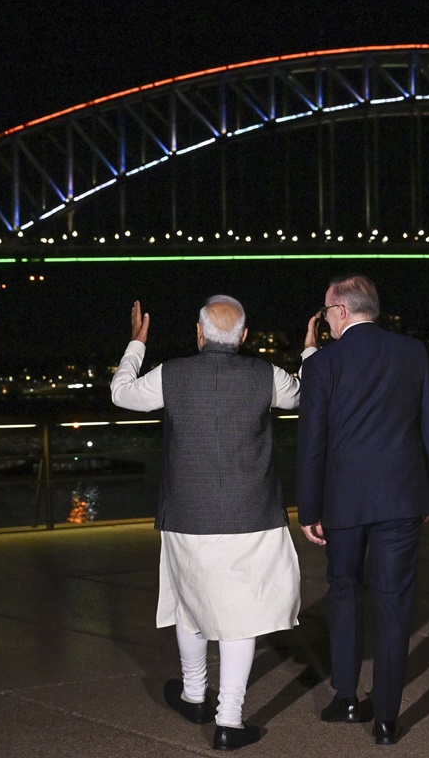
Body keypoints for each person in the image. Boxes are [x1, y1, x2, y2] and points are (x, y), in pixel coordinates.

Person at [110, 295, 304, 752]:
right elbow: (305, 394)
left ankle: (194, 694)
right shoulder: (267, 376)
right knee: (242, 616)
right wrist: (311, 350)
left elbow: (120, 394)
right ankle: (229, 720)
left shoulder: (172, 375)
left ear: (199, 334)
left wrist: (137, 343)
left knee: (187, 601)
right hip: (252, 515)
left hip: (186, 514)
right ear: (244, 336)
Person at [295, 274, 429, 746]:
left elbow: (312, 441)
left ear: (341, 312)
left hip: (342, 501)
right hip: (402, 497)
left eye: (325, 310)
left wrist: (309, 508)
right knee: (394, 602)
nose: (323, 318)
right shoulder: (412, 353)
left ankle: (345, 697)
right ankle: (386, 719)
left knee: (344, 591)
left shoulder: (323, 364)